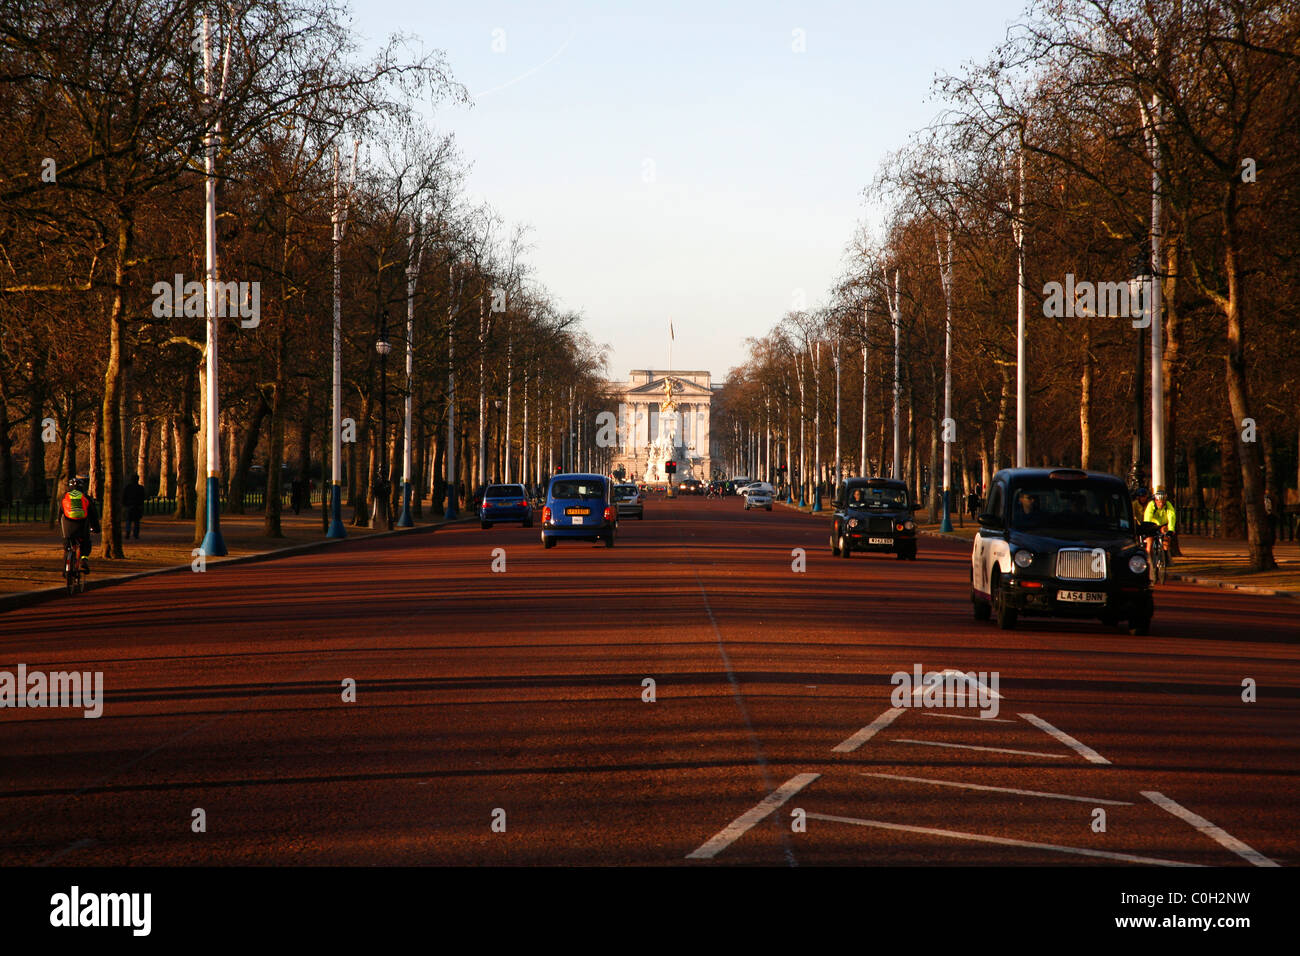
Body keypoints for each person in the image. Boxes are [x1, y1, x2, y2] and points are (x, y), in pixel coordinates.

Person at [59, 475, 100, 573]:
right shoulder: (86, 498)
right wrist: (96, 528)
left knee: (67, 546)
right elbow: (93, 515)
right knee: (85, 543)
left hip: (67, 525)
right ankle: (84, 559)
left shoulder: (64, 497)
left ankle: (66, 568)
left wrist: (61, 526)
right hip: (82, 525)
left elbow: (60, 514)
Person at [1143, 486, 1177, 564]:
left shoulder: (1168, 505)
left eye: (1163, 501)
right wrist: (1147, 528)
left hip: (1163, 524)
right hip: (1152, 524)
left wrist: (1171, 530)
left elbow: (1171, 516)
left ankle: (1166, 555)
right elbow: (1148, 516)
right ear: (1156, 500)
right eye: (1159, 501)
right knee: (1149, 542)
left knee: (1166, 538)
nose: (1161, 504)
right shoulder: (1151, 505)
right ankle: (1148, 560)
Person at [122, 472, 145, 539]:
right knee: (136, 521)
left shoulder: (128, 487)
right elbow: (142, 497)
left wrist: (124, 504)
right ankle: (136, 534)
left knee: (128, 520)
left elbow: (124, 496)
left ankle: (128, 532)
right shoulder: (140, 488)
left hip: (129, 505)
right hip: (137, 506)